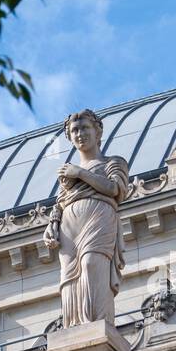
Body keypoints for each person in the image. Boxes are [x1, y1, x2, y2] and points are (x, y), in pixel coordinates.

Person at [44, 109, 129, 328]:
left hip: (99, 218)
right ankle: (74, 325)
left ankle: (97, 323)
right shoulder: (67, 172)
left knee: (92, 263)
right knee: (69, 276)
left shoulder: (113, 162)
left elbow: (114, 189)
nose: (80, 134)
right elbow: (61, 202)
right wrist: (52, 224)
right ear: (70, 138)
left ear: (98, 132)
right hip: (69, 227)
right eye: (74, 130)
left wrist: (81, 174)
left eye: (84, 128)